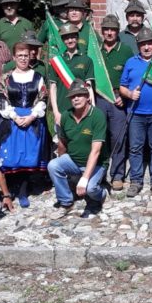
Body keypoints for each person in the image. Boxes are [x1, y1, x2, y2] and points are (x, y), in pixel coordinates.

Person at [0, 42, 49, 208]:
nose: (23, 59)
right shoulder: (6, 77)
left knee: (28, 156)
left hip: (31, 120)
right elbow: (0, 99)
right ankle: (12, 188)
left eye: (26, 55)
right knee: (12, 155)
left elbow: (43, 98)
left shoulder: (37, 77)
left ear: (30, 56)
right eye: (20, 56)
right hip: (12, 120)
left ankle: (24, 190)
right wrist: (14, 116)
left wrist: (32, 116)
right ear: (14, 57)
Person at [49, 79, 109, 218]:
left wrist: (84, 179)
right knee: (53, 165)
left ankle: (102, 194)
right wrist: (62, 162)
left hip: (97, 163)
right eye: (72, 96)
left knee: (91, 189)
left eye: (79, 95)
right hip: (74, 160)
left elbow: (96, 151)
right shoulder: (65, 116)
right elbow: (62, 142)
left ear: (87, 97)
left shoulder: (97, 116)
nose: (75, 99)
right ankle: (66, 202)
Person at [119, 27, 152, 197]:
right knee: (135, 148)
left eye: (150, 44)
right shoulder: (131, 62)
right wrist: (130, 94)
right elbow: (122, 87)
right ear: (138, 46)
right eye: (143, 44)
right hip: (136, 113)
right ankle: (136, 180)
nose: (146, 47)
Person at [96, 15, 135, 191]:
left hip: (118, 99)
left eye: (112, 29)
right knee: (99, 138)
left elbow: (133, 77)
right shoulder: (96, 51)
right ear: (102, 31)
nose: (109, 33)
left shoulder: (126, 51)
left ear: (117, 31)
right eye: (106, 29)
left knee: (118, 137)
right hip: (98, 98)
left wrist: (124, 96)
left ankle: (118, 174)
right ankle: (100, 173)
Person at [49, 21, 95, 125]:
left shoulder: (87, 60)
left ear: (77, 37)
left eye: (72, 37)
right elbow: (53, 87)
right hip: (62, 109)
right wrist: (56, 112)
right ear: (62, 40)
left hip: (82, 109)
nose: (70, 40)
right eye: (66, 38)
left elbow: (89, 86)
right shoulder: (57, 61)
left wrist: (92, 107)